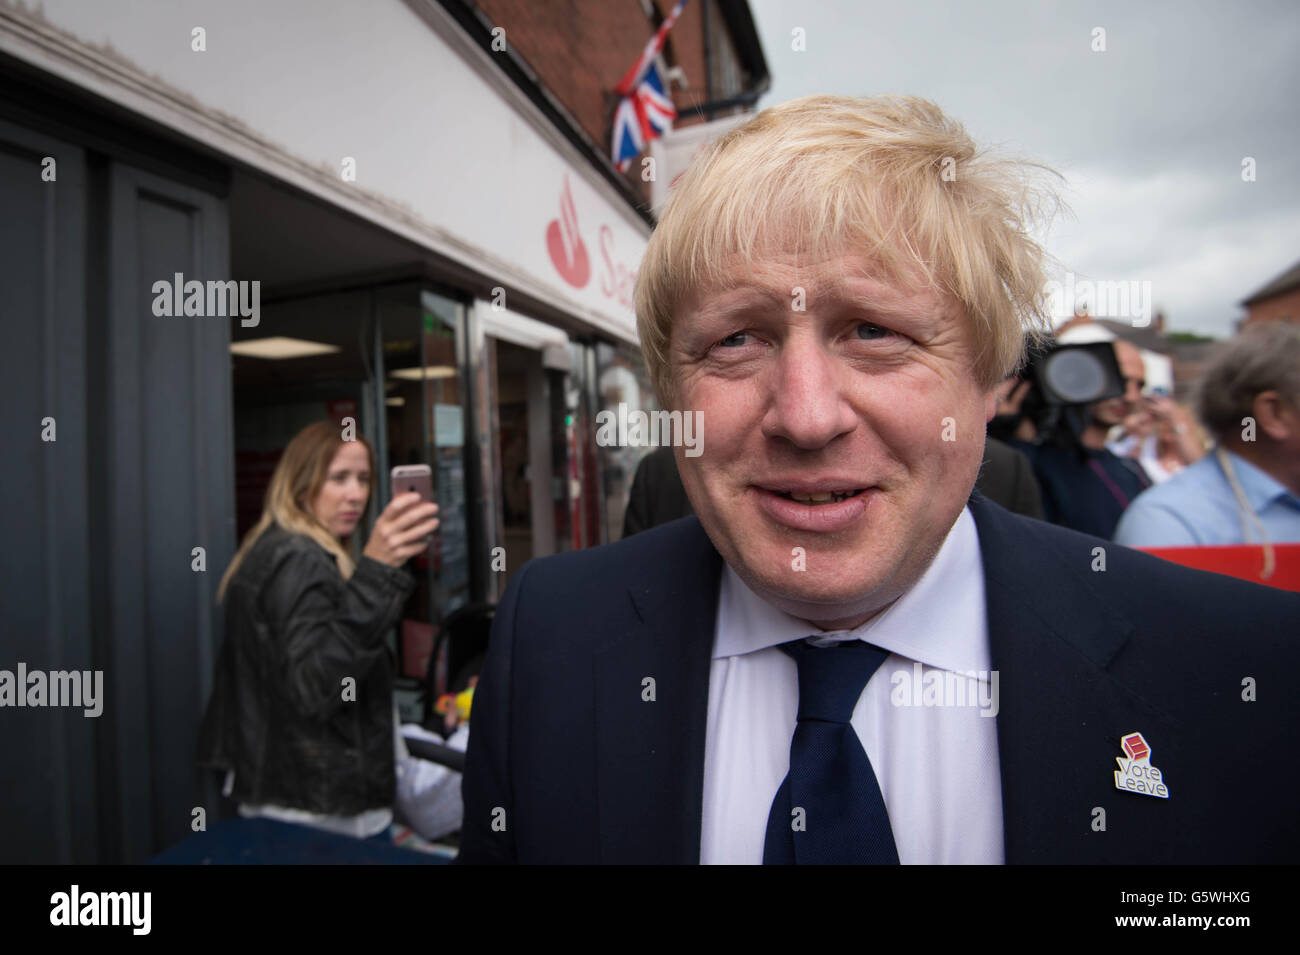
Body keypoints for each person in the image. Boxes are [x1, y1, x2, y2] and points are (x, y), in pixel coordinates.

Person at [458, 95, 1299, 864]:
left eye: (872, 329)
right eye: (736, 340)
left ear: (990, 379)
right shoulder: (553, 641)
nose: (806, 414)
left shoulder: (1241, 665)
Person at [197, 420, 439, 839]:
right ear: (301, 483)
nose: (356, 494)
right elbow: (315, 684)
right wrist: (377, 574)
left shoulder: (282, 549)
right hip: (319, 811)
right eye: (338, 478)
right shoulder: (298, 559)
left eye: (363, 479)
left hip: (299, 799)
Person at [624, 436, 1044, 537]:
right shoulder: (663, 478)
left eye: (873, 332)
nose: (808, 424)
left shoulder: (1004, 471)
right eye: (737, 339)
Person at [1114, 322, 1300, 549]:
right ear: (1273, 413)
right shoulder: (1169, 524)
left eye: (1139, 385)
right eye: (1123, 382)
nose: (1131, 396)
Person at [1010, 339, 1153, 538]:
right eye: (1120, 379)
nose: (1130, 396)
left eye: (1139, 385)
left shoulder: (1131, 471)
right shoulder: (1031, 465)